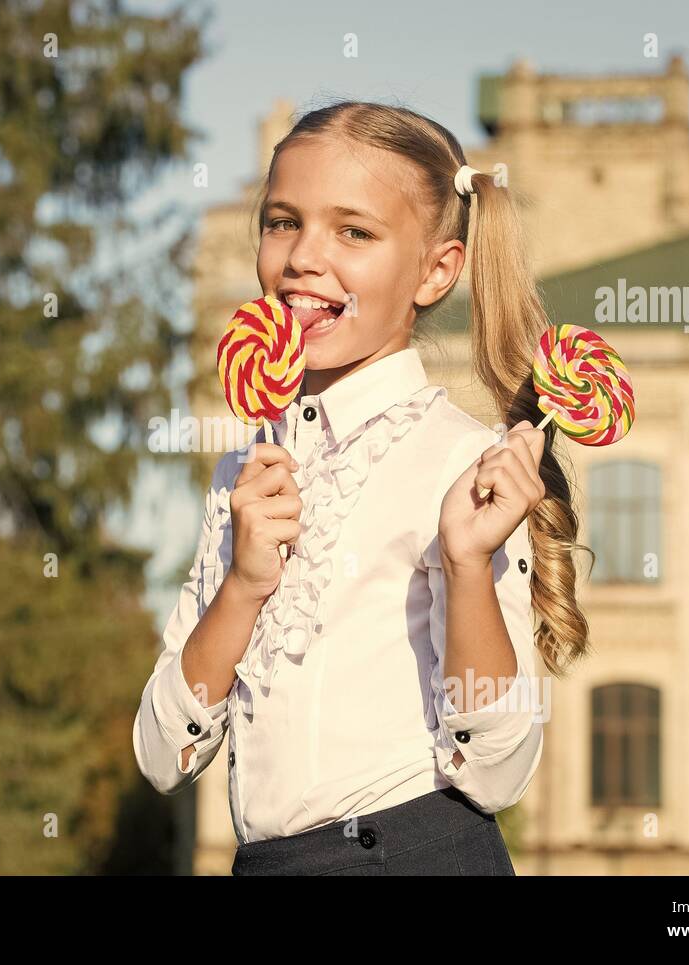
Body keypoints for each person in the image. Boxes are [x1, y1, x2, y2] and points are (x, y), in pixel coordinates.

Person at [132, 102, 591, 875]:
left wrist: (468, 564)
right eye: (283, 221)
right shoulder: (244, 473)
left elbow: (499, 768)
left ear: (436, 270)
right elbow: (161, 754)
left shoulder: (462, 465)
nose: (304, 256)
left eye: (354, 232)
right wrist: (243, 585)